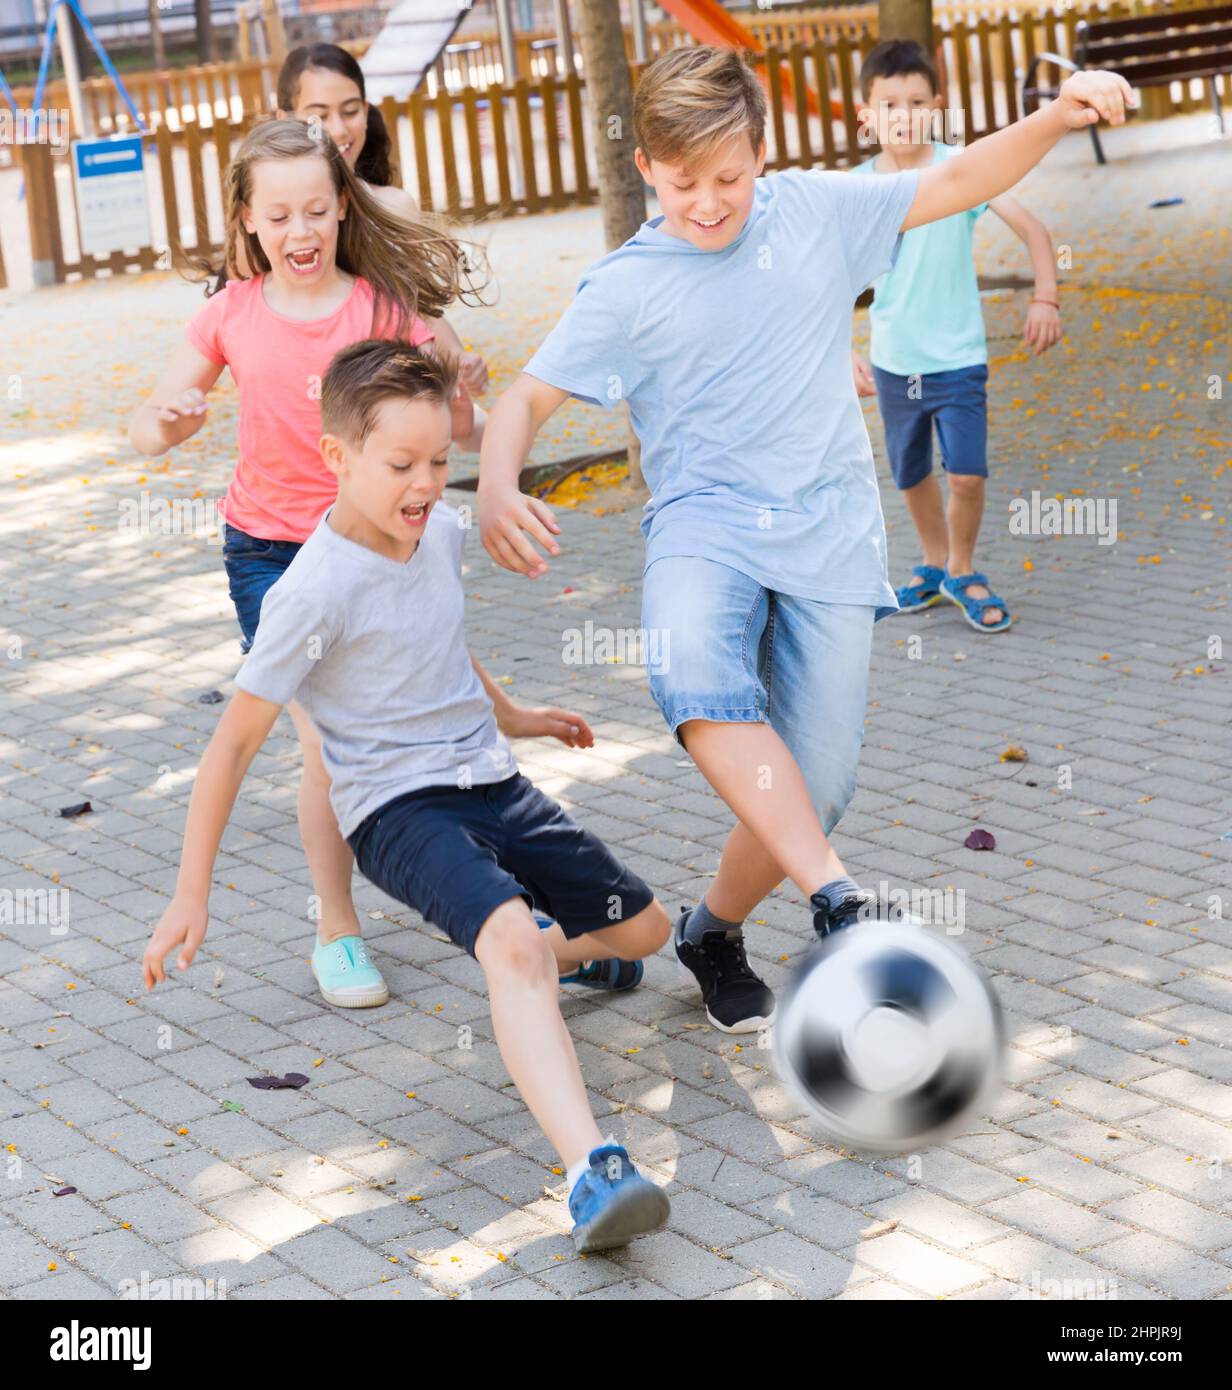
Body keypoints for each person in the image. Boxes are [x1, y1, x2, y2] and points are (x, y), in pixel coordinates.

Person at [476, 45, 1133, 1032]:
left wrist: (1056, 116)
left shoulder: (815, 215)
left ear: (761, 150)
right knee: (691, 660)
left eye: (729, 177)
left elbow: (955, 177)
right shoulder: (624, 286)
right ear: (645, 166)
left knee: (814, 784)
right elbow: (527, 395)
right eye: (683, 180)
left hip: (825, 523)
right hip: (705, 523)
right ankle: (835, 894)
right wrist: (492, 484)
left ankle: (711, 929)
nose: (707, 203)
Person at [141, 340, 672, 1253]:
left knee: (649, 933)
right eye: (401, 466)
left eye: (439, 461)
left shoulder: (441, 532)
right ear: (336, 458)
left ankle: (556, 960)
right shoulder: (310, 593)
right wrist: (192, 891)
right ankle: (592, 1169)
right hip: (397, 810)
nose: (427, 484)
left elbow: (438, 644)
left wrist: (520, 714)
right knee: (507, 942)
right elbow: (231, 746)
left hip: (491, 783)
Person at [129, 118, 484, 1011]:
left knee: (399, 724)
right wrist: (169, 420)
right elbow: (147, 426)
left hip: (371, 548)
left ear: (341, 208)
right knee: (324, 741)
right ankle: (338, 928)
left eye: (317, 211)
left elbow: (459, 425)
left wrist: (464, 388)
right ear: (247, 219)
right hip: (272, 555)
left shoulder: (380, 306)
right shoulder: (229, 315)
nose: (300, 232)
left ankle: (492, 893)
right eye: (279, 214)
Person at [851, 39, 1063, 632]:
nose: (904, 114)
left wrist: (1044, 297)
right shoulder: (855, 188)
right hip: (895, 363)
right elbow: (823, 277)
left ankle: (963, 569)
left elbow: (1037, 233)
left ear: (937, 106)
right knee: (910, 472)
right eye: (889, 104)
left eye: (917, 101)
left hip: (960, 359)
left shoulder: (960, 170)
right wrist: (838, 350)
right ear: (866, 115)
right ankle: (933, 564)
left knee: (966, 473)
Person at [275, 42, 489, 396]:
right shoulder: (274, 222)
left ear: (366, 110)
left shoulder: (392, 206)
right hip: (299, 398)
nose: (339, 130)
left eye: (350, 111)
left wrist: (458, 360)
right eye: (319, 115)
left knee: (483, 432)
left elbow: (418, 305)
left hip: (389, 395)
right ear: (286, 120)